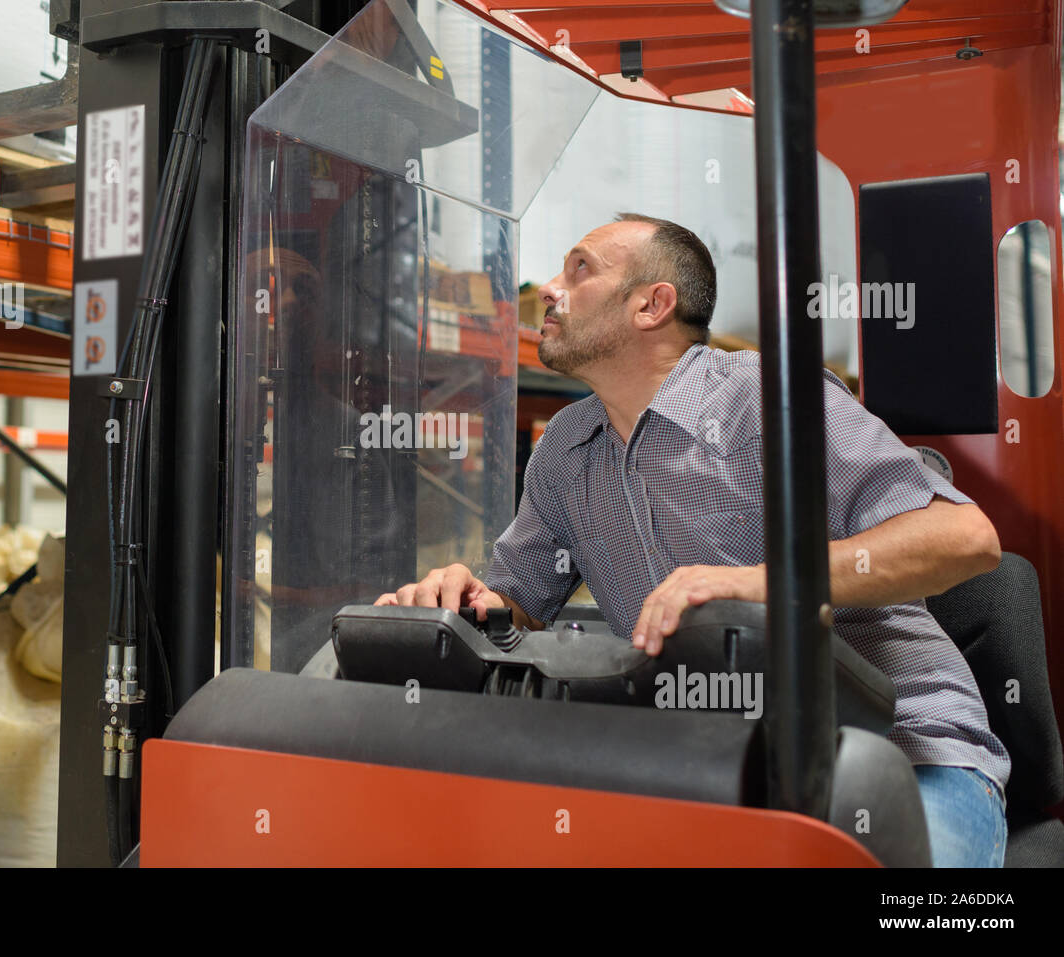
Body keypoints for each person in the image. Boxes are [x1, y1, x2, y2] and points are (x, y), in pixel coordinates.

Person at [376, 212, 1011, 867]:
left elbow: (965, 537)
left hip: (903, 754)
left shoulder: (770, 401)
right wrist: (467, 597)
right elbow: (520, 603)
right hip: (712, 768)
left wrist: (752, 582)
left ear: (652, 304)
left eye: (580, 269)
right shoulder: (566, 450)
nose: (551, 290)